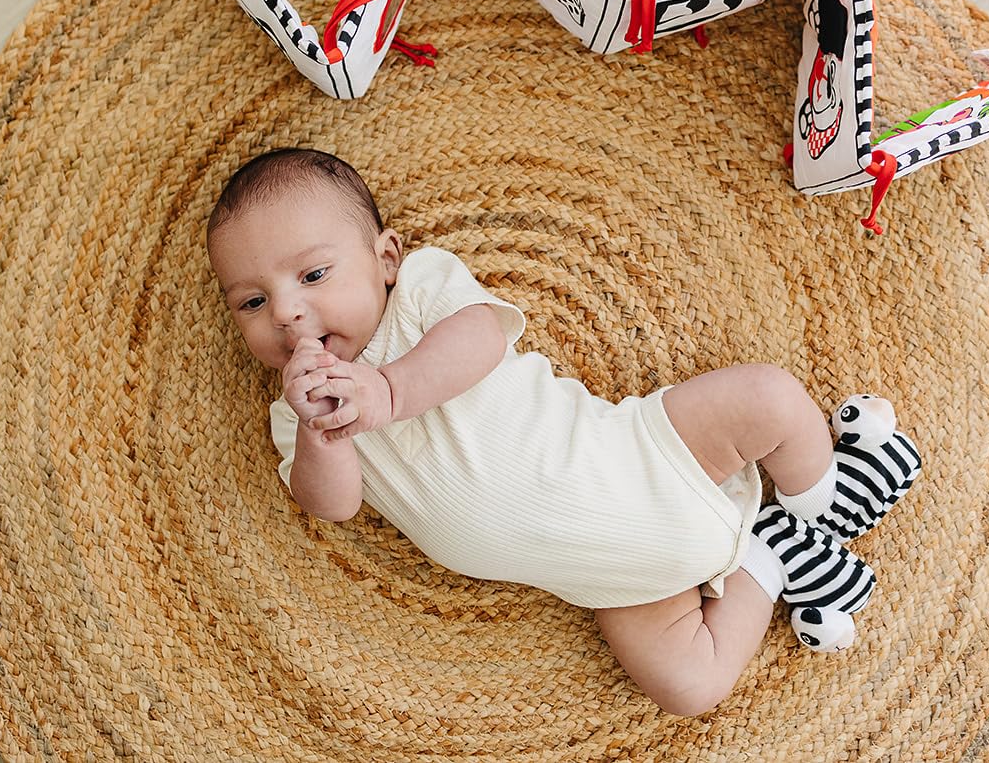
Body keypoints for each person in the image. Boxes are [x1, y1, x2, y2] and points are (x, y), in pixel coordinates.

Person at [206, 147, 879, 717]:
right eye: (254, 302)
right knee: (690, 686)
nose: (289, 312)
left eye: (313, 274)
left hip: (649, 453)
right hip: (616, 582)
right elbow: (333, 504)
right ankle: (772, 555)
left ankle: (821, 500)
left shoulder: (418, 292)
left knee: (768, 398)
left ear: (385, 257)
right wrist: (328, 437)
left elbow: (480, 341)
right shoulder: (300, 416)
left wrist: (388, 390)